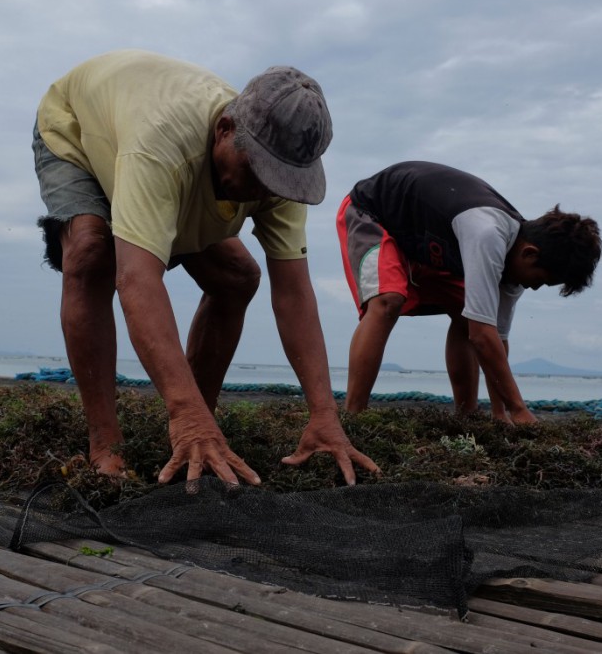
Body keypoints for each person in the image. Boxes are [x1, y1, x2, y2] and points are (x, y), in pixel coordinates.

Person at [32, 50, 380, 487]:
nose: (265, 189)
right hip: (79, 131)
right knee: (91, 252)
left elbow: (294, 292)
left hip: (156, 159)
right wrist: (185, 412)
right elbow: (137, 278)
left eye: (280, 178)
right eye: (257, 170)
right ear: (224, 129)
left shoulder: (280, 177)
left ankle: (200, 422)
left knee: (237, 277)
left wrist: (324, 413)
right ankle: (107, 443)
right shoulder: (163, 144)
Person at [337, 161, 602, 423]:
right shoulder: (488, 233)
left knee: (468, 315)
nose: (534, 287)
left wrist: (500, 413)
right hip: (372, 212)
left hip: (420, 240)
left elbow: (496, 338)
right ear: (529, 254)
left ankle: (467, 417)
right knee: (388, 300)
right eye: (541, 280)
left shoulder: (515, 261)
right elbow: (482, 336)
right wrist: (519, 409)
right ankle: (354, 417)